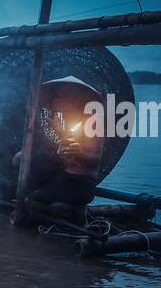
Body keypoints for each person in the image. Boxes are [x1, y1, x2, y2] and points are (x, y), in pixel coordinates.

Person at [12, 77, 105, 221]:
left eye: (62, 96)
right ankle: (65, 208)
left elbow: (95, 159)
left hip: (79, 182)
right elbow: (60, 155)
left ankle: (69, 210)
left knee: (34, 203)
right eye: (56, 95)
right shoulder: (65, 123)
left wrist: (79, 153)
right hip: (62, 178)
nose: (56, 99)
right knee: (30, 186)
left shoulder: (91, 123)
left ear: (76, 99)